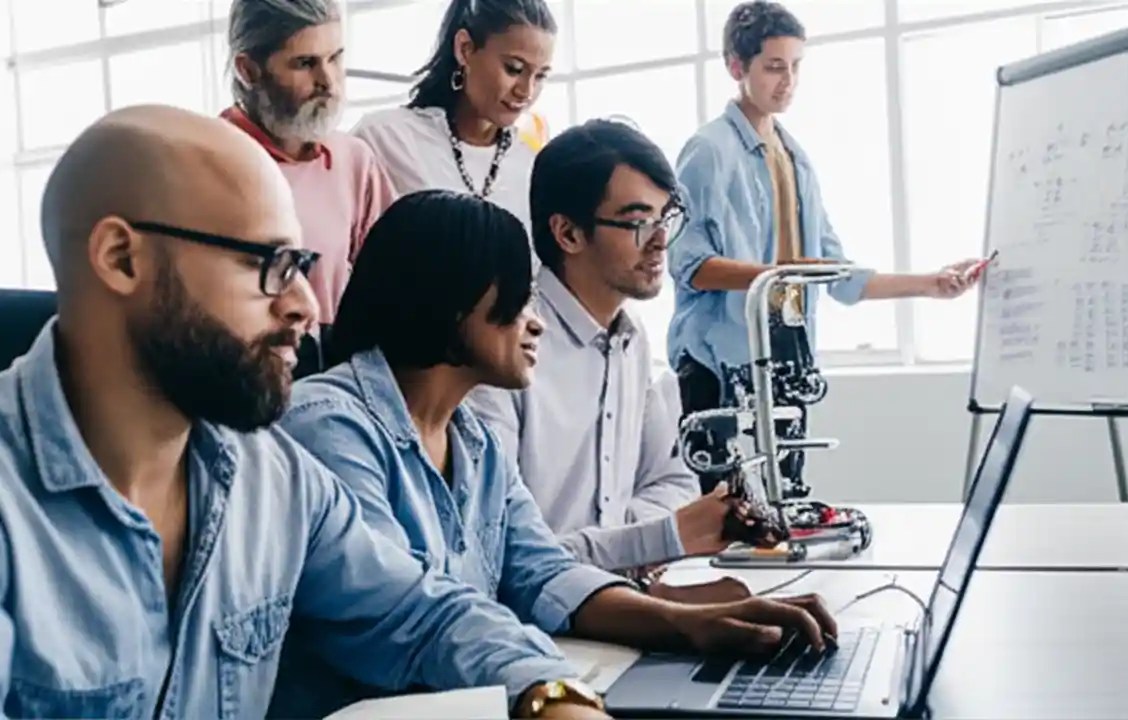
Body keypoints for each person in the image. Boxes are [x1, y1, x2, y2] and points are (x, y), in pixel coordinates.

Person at [0, 105, 618, 719]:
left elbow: (421, 613)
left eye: (301, 266)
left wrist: (552, 696)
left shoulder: (272, 478)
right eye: (264, 264)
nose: (303, 304)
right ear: (121, 258)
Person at [276, 188, 839, 717]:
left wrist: (691, 623)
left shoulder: (474, 441)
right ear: (453, 299)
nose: (536, 320)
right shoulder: (328, 426)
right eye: (519, 298)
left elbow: (543, 574)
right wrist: (551, 690)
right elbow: (408, 612)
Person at [670, 1, 983, 493]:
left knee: (787, 502)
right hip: (719, 359)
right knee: (724, 515)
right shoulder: (708, 152)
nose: (788, 81)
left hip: (785, 352)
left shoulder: (797, 160)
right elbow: (688, 264)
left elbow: (836, 274)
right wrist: (779, 275)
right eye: (774, 67)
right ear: (737, 66)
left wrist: (931, 283)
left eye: (796, 67)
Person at [466, 120, 747, 591]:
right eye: (638, 222)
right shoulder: (504, 348)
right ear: (568, 234)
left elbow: (671, 479)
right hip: (535, 622)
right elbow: (504, 556)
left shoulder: (632, 339)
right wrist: (654, 539)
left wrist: (631, 541)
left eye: (666, 217)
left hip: (615, 605)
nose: (661, 241)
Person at [223, 0, 395, 323]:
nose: (328, 82)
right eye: (305, 63)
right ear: (248, 70)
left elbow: (394, 283)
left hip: (334, 365)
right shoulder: (205, 161)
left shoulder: (354, 162)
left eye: (336, 57)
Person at [351, 0, 555, 238]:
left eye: (540, 76)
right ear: (465, 48)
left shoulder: (532, 165)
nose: (527, 91)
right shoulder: (384, 139)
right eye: (514, 69)